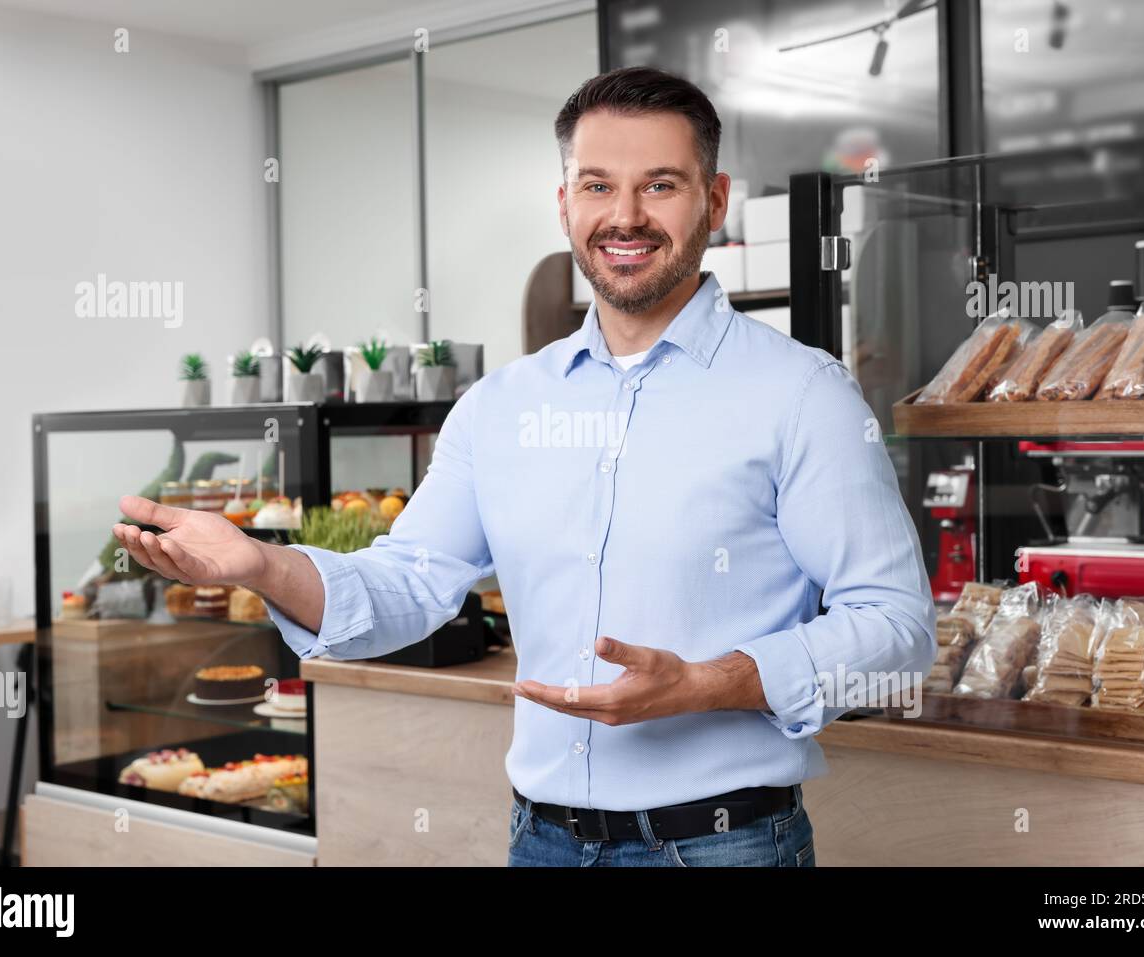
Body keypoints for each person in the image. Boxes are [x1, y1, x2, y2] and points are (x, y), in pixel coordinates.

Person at [116, 66, 936, 867]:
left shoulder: (801, 394)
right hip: (541, 840)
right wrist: (263, 563)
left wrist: (706, 683)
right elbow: (406, 585)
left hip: (725, 842)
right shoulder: (499, 407)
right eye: (596, 185)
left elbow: (897, 631)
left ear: (714, 202)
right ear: (564, 203)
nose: (625, 216)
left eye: (660, 185)